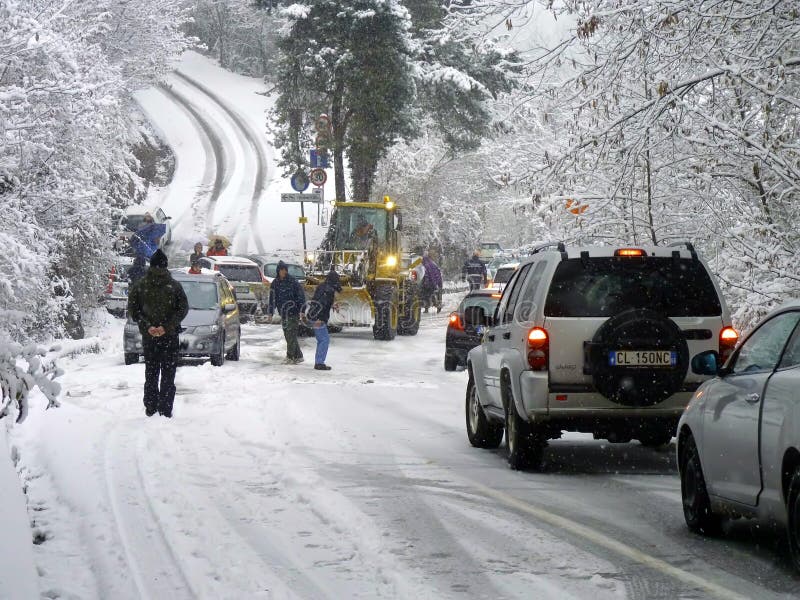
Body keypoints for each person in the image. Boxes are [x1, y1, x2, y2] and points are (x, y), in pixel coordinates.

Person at [127, 249, 189, 418]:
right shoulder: (174, 286)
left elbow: (134, 309)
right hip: (169, 338)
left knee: (151, 373)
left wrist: (147, 326)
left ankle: (151, 407)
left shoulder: (140, 285)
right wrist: (167, 327)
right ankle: (165, 409)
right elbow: (183, 309)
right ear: (166, 266)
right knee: (168, 374)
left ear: (151, 265)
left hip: (150, 338)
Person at [267, 260, 306, 364]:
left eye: (285, 270)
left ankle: (290, 357)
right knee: (288, 335)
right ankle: (298, 356)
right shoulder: (275, 283)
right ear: (278, 271)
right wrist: (270, 312)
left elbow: (301, 296)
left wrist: (302, 310)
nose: (284, 271)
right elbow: (272, 298)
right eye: (282, 270)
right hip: (283, 313)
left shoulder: (292, 282)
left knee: (290, 335)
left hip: (293, 312)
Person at [303, 270, 341, 371]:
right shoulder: (329, 290)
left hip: (313, 315)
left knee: (322, 340)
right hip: (317, 318)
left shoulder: (323, 286)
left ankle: (319, 362)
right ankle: (319, 363)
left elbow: (319, 301)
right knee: (324, 340)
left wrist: (332, 305)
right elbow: (322, 304)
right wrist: (319, 319)